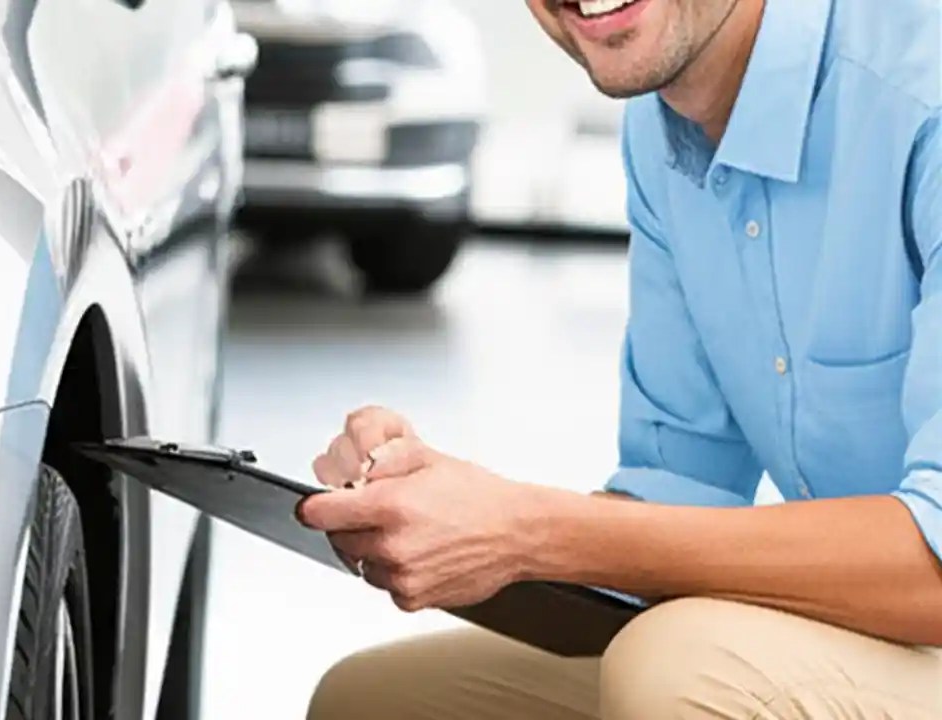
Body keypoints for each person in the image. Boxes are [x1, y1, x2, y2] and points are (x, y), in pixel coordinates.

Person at [296, 0, 942, 717]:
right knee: (380, 702)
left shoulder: (921, 87)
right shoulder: (664, 131)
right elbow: (676, 498)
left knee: (678, 668)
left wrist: (526, 529)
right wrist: (441, 509)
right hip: (883, 642)